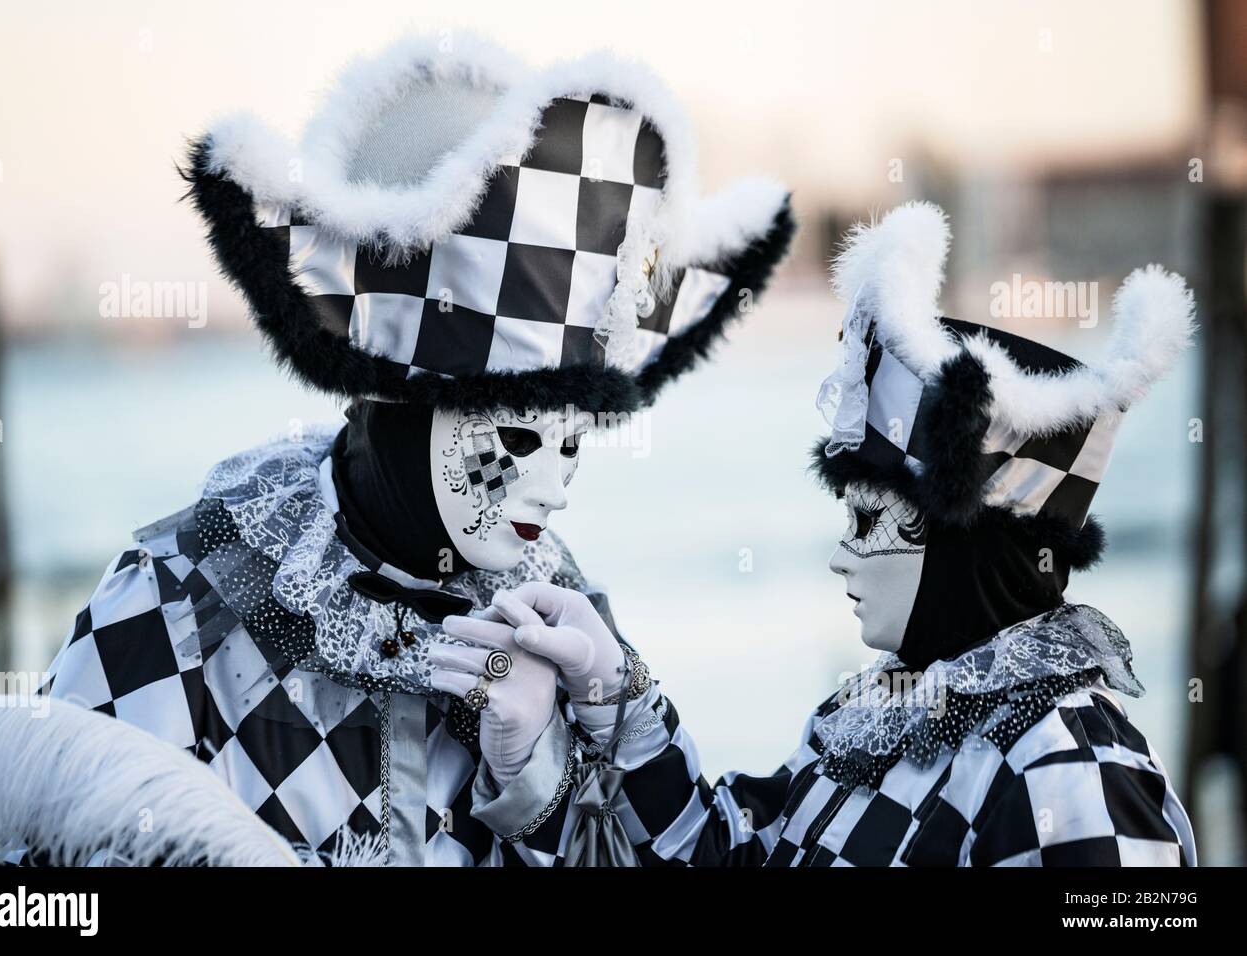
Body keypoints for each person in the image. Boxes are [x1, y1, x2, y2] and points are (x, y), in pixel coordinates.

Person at [34, 33, 792, 866]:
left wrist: (550, 774)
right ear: (400, 400)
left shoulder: (563, 616)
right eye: (517, 436)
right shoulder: (184, 601)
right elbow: (43, 872)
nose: (554, 491)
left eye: (574, 445)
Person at [442, 201, 1198, 866]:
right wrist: (615, 692)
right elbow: (730, 858)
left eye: (869, 520)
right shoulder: (868, 717)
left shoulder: (1074, 766)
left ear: (964, 542)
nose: (843, 557)